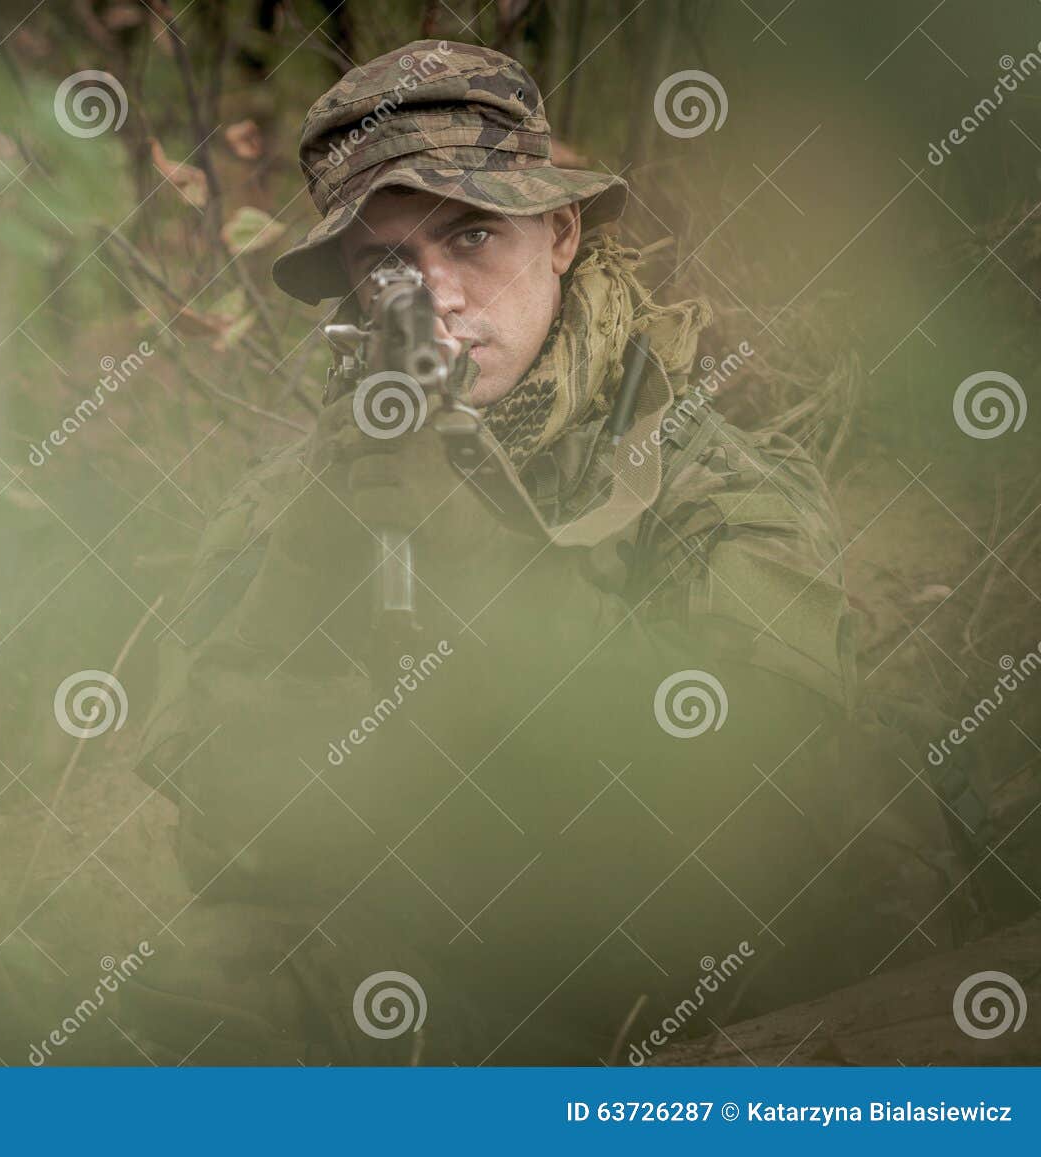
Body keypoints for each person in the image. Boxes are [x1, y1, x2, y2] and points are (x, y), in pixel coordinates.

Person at [121, 40, 991, 1065]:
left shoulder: (708, 476)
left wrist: (488, 575)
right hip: (436, 964)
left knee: (876, 804)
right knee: (211, 978)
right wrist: (314, 565)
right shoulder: (296, 505)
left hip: (690, 963)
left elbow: (773, 792)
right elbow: (231, 843)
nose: (435, 294)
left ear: (561, 232)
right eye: (386, 262)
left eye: (473, 235)